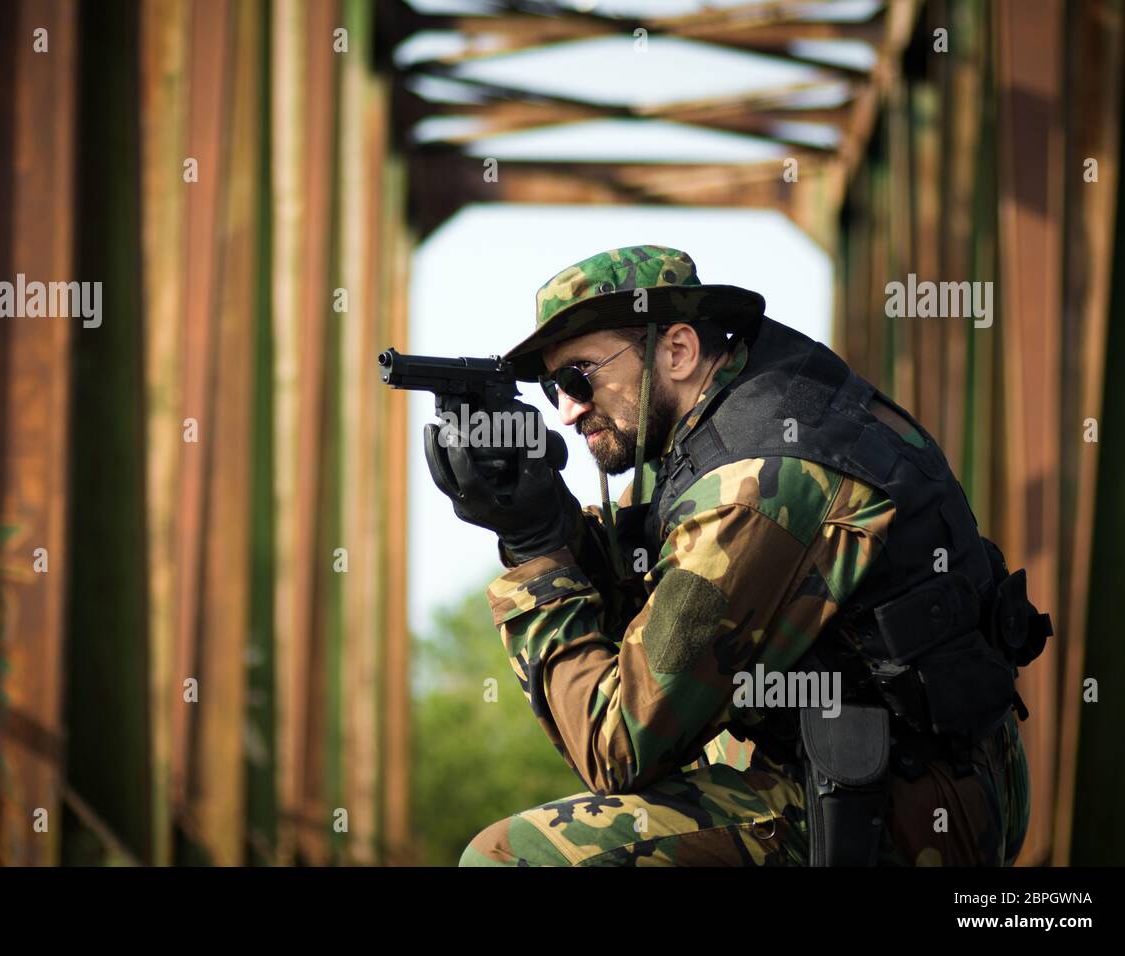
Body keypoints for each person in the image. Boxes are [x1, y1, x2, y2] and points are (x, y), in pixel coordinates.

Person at [425, 244, 1049, 867]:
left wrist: (536, 556)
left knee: (506, 858)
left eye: (578, 376)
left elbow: (615, 748)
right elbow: (648, 586)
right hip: (867, 763)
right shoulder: (737, 413)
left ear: (676, 351)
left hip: (900, 806)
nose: (565, 410)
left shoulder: (757, 485)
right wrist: (542, 516)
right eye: (550, 386)